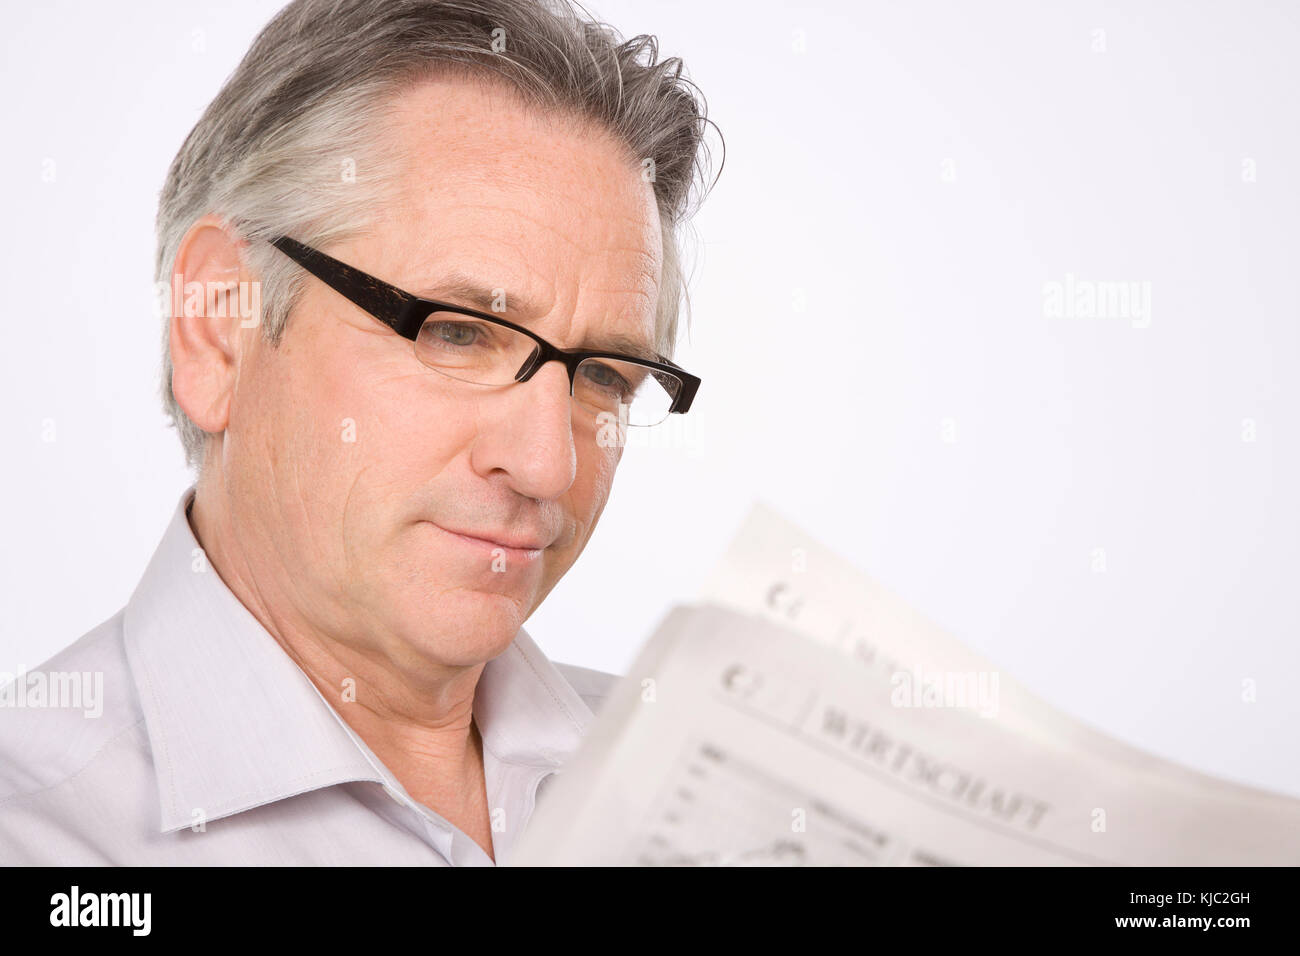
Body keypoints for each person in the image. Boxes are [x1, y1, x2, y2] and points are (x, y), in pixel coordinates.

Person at [0, 0, 714, 865]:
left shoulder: (712, 795)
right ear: (219, 326)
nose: (545, 464)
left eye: (602, 374)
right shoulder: (38, 837)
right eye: (458, 333)